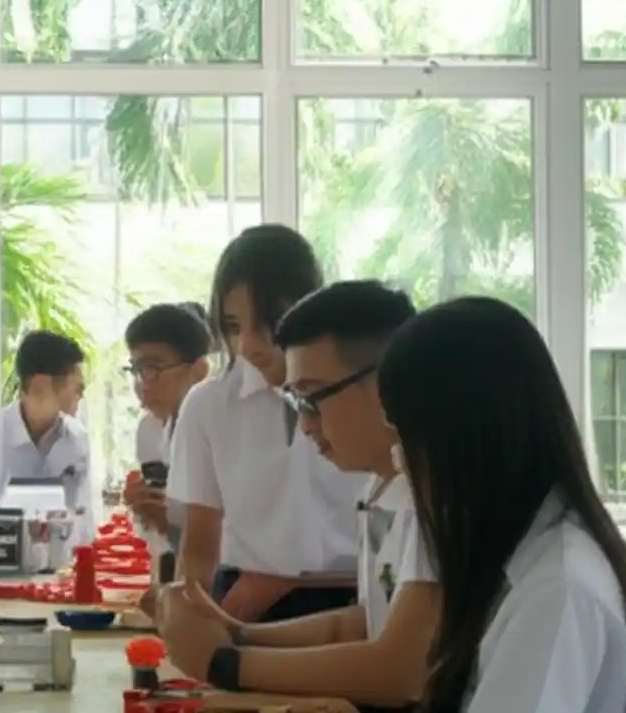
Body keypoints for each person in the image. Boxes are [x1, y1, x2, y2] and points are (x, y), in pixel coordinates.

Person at [158, 281, 438, 710]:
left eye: (311, 397)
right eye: (294, 399)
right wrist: (238, 632)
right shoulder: (382, 488)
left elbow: (399, 670)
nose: (305, 425)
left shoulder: (433, 501)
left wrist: (226, 663)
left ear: (386, 385)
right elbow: (363, 625)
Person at [380, 298, 626, 711]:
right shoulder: (520, 553)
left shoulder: (557, 588)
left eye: (406, 443)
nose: (402, 466)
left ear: (460, 444)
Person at [167, 224, 360, 623]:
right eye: (234, 327)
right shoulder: (207, 406)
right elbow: (200, 545)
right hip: (244, 602)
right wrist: (193, 623)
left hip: (358, 602)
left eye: (268, 321)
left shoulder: (362, 399)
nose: (249, 345)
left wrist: (283, 583)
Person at [0, 330, 94, 542]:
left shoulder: (77, 440)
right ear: (42, 383)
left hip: (60, 566)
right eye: (77, 386)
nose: (81, 394)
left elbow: (85, 526)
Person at [121, 303, 212, 540]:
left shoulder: (224, 431)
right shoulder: (149, 429)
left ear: (199, 370)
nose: (142, 384)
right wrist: (143, 503)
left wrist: (172, 522)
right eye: (136, 369)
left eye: (152, 368)